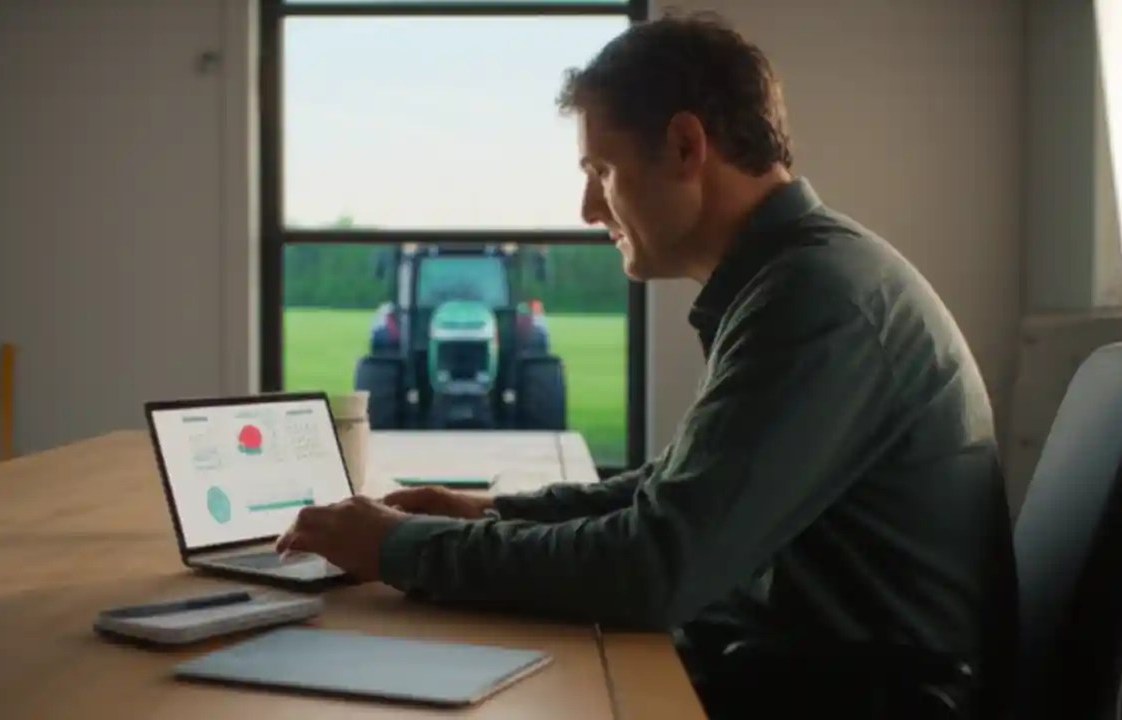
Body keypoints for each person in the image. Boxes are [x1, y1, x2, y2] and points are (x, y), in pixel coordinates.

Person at [277, 13, 1017, 719]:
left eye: (601, 168)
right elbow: (677, 494)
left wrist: (399, 548)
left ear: (687, 146)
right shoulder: (803, 279)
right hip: (805, 670)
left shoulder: (816, 302)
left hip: (844, 698)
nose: (587, 206)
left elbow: (653, 569)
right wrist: (488, 514)